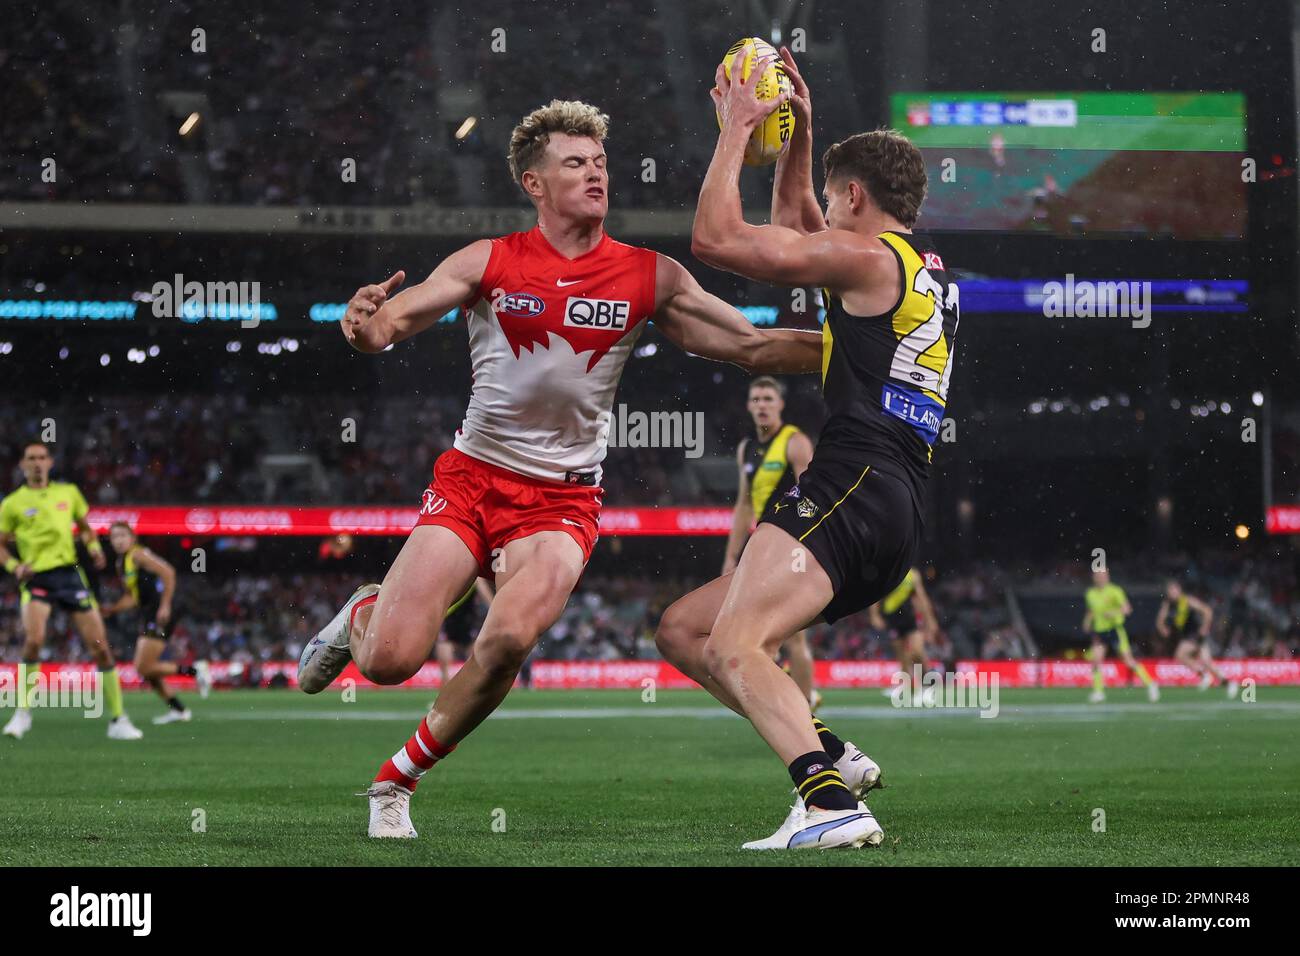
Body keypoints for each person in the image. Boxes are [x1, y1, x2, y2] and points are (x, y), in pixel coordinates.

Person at [295, 99, 824, 838]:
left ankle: (395, 782)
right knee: (388, 661)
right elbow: (391, 323)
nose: (595, 174)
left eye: (600, 163)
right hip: (471, 482)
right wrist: (361, 324)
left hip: (561, 503)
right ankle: (362, 617)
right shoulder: (489, 260)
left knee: (509, 637)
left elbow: (752, 346)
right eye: (575, 164)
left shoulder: (648, 275)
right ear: (533, 183)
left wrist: (857, 343)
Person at [656, 46, 960, 849]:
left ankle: (828, 804)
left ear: (854, 196)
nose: (822, 211)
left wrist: (735, 130)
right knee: (685, 632)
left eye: (833, 196)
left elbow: (717, 239)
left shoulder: (864, 258)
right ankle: (825, 752)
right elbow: (800, 229)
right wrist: (802, 137)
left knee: (734, 642)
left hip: (852, 482)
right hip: (891, 505)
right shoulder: (913, 272)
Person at [0, 441, 143, 740]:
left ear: (50, 463)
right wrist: (14, 566)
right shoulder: (12, 504)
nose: (37, 463)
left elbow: (86, 527)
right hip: (37, 577)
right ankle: (22, 714)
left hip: (69, 575)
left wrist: (93, 548)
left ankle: (118, 719)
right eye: (31, 459)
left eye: (42, 457)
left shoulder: (69, 493)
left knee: (101, 648)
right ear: (23, 465)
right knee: (34, 641)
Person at [723, 376, 821, 710]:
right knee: (757, 636)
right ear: (749, 406)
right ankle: (793, 702)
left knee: (793, 635)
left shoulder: (794, 441)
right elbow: (744, 505)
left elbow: (812, 497)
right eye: (757, 399)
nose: (762, 405)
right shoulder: (745, 448)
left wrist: (805, 548)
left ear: (780, 404)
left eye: (768, 398)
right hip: (759, 549)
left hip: (790, 548)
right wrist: (731, 556)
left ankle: (807, 715)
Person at [101, 522, 211, 723]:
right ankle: (179, 710)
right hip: (148, 612)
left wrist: (165, 605)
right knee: (148, 669)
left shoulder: (138, 554)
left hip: (159, 610)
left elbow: (168, 572)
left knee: (143, 666)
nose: (118, 541)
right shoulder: (122, 563)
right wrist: (113, 609)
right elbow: (132, 598)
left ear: (132, 538)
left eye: (122, 536)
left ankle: (196, 670)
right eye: (114, 537)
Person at [1084, 568, 1159, 703]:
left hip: (1115, 630)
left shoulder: (1115, 591)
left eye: (1104, 575)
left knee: (1128, 661)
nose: (1101, 577)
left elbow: (1127, 609)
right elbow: (1091, 610)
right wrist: (1087, 622)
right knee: (1096, 661)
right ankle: (1098, 692)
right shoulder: (1090, 593)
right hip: (1100, 631)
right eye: (1098, 575)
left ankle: (1150, 684)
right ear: (1094, 577)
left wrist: (1113, 613)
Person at [868, 566, 939, 704]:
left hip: (910, 618)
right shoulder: (886, 571)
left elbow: (922, 598)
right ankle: (906, 686)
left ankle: (929, 684)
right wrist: (874, 614)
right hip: (892, 617)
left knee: (917, 651)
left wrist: (930, 620)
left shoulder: (913, 574)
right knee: (901, 655)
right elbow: (876, 594)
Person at [1156, 579, 1237, 698]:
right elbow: (1160, 620)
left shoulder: (1187, 600)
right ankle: (1229, 683)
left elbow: (1207, 611)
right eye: (1170, 591)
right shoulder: (1168, 604)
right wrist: (1163, 628)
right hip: (1186, 636)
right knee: (1207, 662)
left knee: (1180, 654)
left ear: (1179, 590)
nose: (1172, 593)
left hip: (1195, 634)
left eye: (1174, 590)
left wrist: (1204, 627)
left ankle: (1204, 675)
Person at [436, 579, 494, 689]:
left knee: (474, 663)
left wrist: (493, 607)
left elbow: (481, 587)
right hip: (449, 619)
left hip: (468, 618)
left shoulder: (474, 577)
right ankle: (446, 699)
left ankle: (470, 697)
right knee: (446, 666)